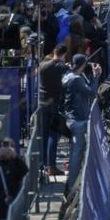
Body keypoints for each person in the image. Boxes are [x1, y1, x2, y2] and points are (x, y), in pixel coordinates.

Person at [61, 53, 103, 190]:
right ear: (83, 65)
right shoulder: (75, 79)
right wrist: (96, 76)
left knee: (78, 150)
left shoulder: (69, 75)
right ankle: (72, 185)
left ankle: (75, 181)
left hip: (72, 117)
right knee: (77, 152)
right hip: (77, 119)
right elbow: (91, 92)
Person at [37, 45, 69, 176]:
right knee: (53, 135)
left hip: (42, 101)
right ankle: (51, 165)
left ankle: (42, 165)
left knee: (42, 135)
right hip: (54, 102)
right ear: (63, 54)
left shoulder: (43, 66)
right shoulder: (63, 68)